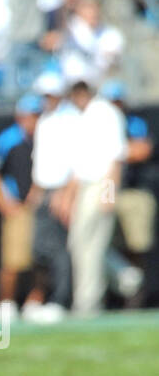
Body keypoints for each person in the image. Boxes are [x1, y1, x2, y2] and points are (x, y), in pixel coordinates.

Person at [62, 78, 125, 316]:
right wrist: (69, 196)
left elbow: (116, 157)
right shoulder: (84, 116)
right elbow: (81, 165)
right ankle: (125, 277)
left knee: (92, 245)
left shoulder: (106, 113)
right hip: (87, 186)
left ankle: (88, 304)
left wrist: (109, 193)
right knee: (80, 243)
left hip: (101, 184)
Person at [0, 93, 40, 322]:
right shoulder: (9, 138)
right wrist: (4, 200)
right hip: (19, 206)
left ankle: (35, 301)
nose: (32, 121)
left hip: (42, 207)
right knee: (13, 259)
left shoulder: (47, 136)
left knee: (41, 257)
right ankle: (6, 303)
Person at [24, 72, 76, 322]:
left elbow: (76, 161)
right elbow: (42, 162)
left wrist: (65, 194)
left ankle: (60, 299)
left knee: (59, 248)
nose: (47, 99)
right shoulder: (45, 120)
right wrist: (36, 192)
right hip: (44, 190)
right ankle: (44, 297)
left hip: (60, 191)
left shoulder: (70, 120)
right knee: (39, 247)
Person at [101, 80, 154, 307]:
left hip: (131, 191)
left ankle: (135, 297)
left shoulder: (134, 124)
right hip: (107, 188)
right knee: (103, 244)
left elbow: (142, 150)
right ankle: (110, 295)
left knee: (136, 244)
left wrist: (117, 152)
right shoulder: (98, 125)